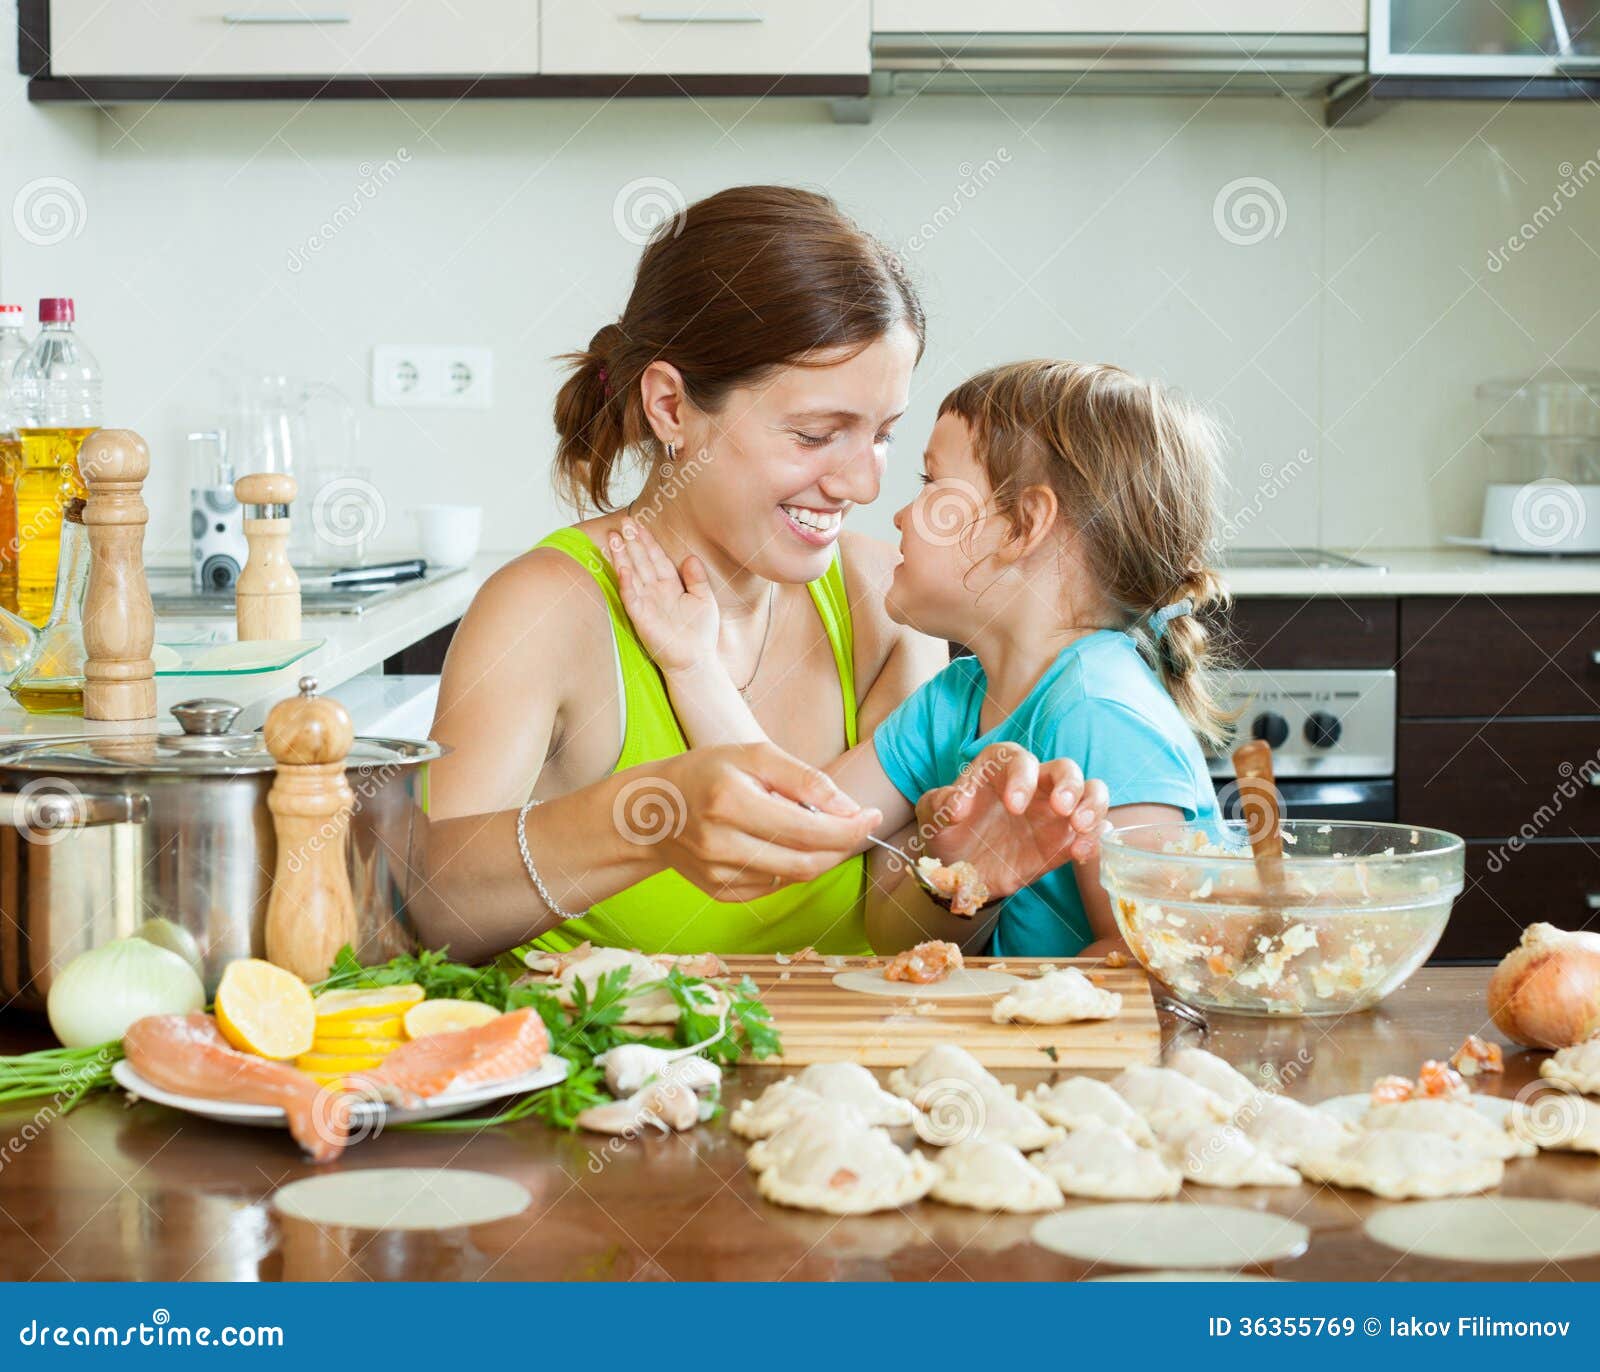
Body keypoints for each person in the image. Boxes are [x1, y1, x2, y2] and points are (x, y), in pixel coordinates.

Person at [415, 188, 1109, 964]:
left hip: (848, 1080)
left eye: (882, 435)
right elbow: (429, 909)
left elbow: (893, 927)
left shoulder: (883, 603)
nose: (862, 485)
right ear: (672, 408)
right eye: (816, 434)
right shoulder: (548, 608)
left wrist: (965, 875)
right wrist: (646, 819)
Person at [611, 358, 1225, 958]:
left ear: (1022, 526)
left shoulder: (1101, 712)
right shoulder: (953, 699)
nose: (898, 513)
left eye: (931, 485)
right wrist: (692, 663)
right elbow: (787, 830)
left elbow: (1160, 966)